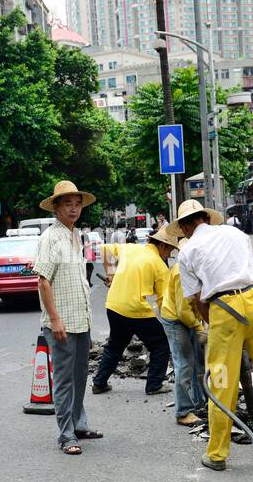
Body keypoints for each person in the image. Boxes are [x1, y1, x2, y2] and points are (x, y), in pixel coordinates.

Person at [170, 200, 253, 472]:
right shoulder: (237, 234)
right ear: (206, 217)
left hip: (223, 308)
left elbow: (197, 300)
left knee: (221, 381)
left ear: (184, 226)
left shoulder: (187, 250)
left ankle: (217, 454)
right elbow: (251, 274)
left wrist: (215, 324)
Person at [35, 180, 102, 456]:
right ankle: (66, 435)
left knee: (80, 376)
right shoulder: (50, 237)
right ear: (56, 208)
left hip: (81, 319)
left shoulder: (76, 235)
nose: (74, 209)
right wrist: (55, 319)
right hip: (61, 322)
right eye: (67, 204)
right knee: (64, 380)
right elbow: (43, 281)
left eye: (77, 204)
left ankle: (79, 424)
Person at [93, 229, 175, 396]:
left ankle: (99, 382)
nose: (169, 255)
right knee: (160, 345)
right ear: (161, 245)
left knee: (115, 345)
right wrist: (170, 323)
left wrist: (111, 275)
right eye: (169, 250)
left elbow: (105, 249)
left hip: (114, 305)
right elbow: (164, 301)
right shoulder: (159, 265)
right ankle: (154, 385)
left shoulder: (131, 248)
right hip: (137, 310)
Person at [158, 232, 205, 427]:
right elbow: (183, 309)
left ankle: (199, 402)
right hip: (175, 319)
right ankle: (184, 411)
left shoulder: (198, 267)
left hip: (189, 316)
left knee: (197, 363)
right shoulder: (180, 271)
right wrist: (198, 326)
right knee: (185, 363)